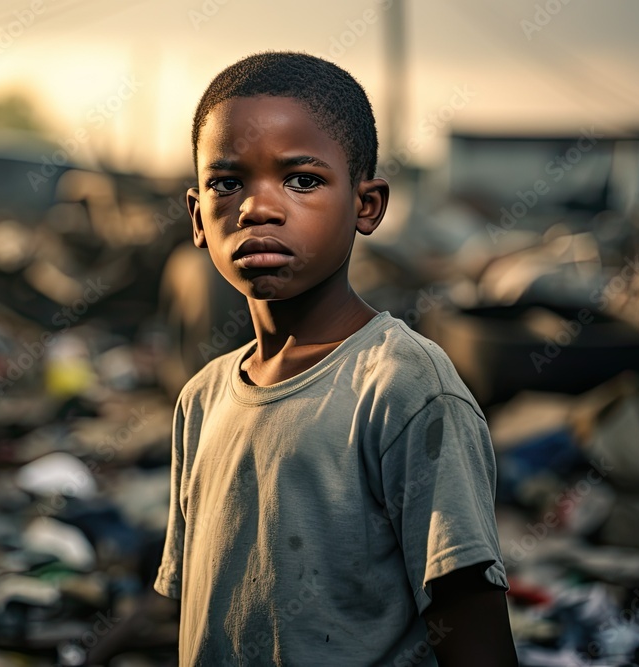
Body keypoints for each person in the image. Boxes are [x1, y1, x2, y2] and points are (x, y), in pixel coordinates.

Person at [153, 52, 519, 666]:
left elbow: (473, 634)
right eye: (227, 183)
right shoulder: (202, 398)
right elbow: (199, 605)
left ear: (367, 205)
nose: (257, 209)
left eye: (302, 180)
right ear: (197, 217)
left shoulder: (404, 387)